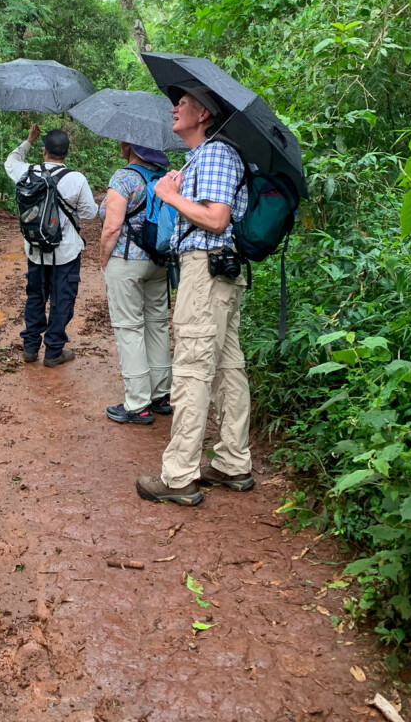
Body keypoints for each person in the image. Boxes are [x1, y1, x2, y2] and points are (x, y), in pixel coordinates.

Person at [136, 88, 252, 507]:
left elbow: (217, 220)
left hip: (206, 271)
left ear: (203, 114)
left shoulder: (216, 153)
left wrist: (170, 196)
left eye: (182, 103)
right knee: (226, 367)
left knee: (191, 368)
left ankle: (179, 476)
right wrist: (177, 190)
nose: (174, 108)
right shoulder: (202, 157)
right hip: (215, 272)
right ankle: (233, 463)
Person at [5, 123, 97, 367]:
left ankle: (30, 347)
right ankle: (54, 351)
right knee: (62, 300)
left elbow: (10, 162)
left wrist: (29, 140)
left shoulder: (28, 172)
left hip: (35, 250)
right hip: (65, 253)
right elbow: (89, 214)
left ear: (44, 151)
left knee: (35, 297)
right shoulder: (76, 179)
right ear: (67, 153)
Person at [99, 143, 173, 425]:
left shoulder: (124, 177)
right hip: (158, 261)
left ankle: (137, 404)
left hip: (126, 259)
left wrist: (103, 259)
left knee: (129, 328)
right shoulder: (164, 177)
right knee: (157, 325)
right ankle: (161, 396)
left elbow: (112, 227)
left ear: (130, 145)